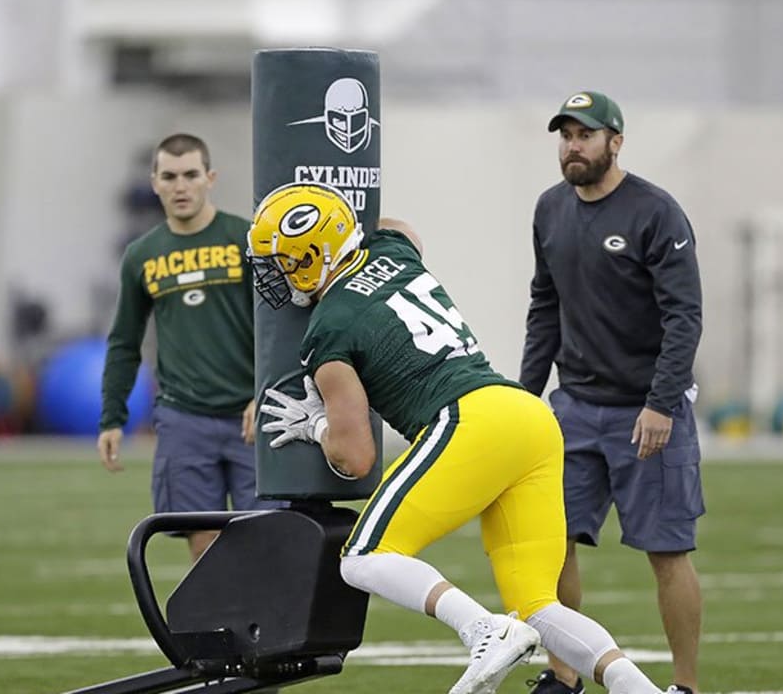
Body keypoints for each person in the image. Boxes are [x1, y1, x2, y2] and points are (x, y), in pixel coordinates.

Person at [252, 182, 663, 694]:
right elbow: (403, 230)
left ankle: (482, 630)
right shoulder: (391, 250)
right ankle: (640, 689)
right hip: (527, 416)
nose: (274, 273)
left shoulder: (328, 329)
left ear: (312, 258)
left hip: (469, 419)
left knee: (363, 556)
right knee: (538, 604)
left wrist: (315, 425)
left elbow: (356, 458)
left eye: (282, 260)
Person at [519, 91, 704, 694]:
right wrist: (525, 399)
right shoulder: (550, 209)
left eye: (585, 135)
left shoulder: (655, 212)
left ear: (614, 142)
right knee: (554, 544)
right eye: (566, 136)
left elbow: (685, 317)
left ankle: (684, 684)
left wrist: (659, 402)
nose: (573, 147)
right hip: (573, 407)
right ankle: (562, 672)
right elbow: (544, 308)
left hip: (647, 411)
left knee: (666, 552)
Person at [98, 133, 273, 562]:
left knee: (268, 536)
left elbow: (282, 324)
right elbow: (124, 340)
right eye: (170, 176)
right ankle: (217, 628)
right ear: (154, 182)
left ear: (210, 178)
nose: (181, 186)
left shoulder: (247, 239)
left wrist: (266, 393)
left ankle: (268, 629)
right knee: (202, 539)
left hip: (251, 416)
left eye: (191, 174)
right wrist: (112, 417)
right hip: (184, 418)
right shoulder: (142, 255)